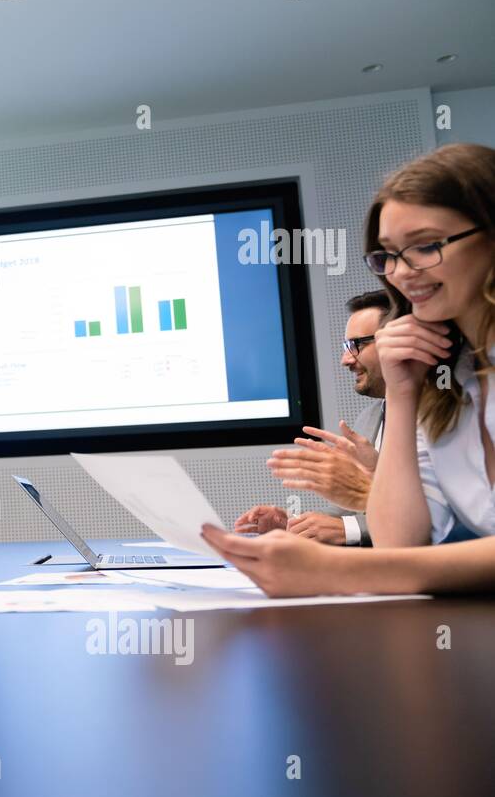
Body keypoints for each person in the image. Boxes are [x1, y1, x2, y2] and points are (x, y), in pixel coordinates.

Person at [203, 143, 495, 595]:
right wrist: (401, 392)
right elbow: (403, 541)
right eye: (389, 255)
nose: (401, 273)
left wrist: (333, 570)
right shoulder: (445, 380)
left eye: (425, 246)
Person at [234, 291, 389, 545]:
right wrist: (291, 525)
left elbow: (436, 518)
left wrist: (349, 529)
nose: (346, 360)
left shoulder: (442, 418)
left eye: (356, 345)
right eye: (345, 347)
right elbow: (352, 512)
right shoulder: (371, 417)